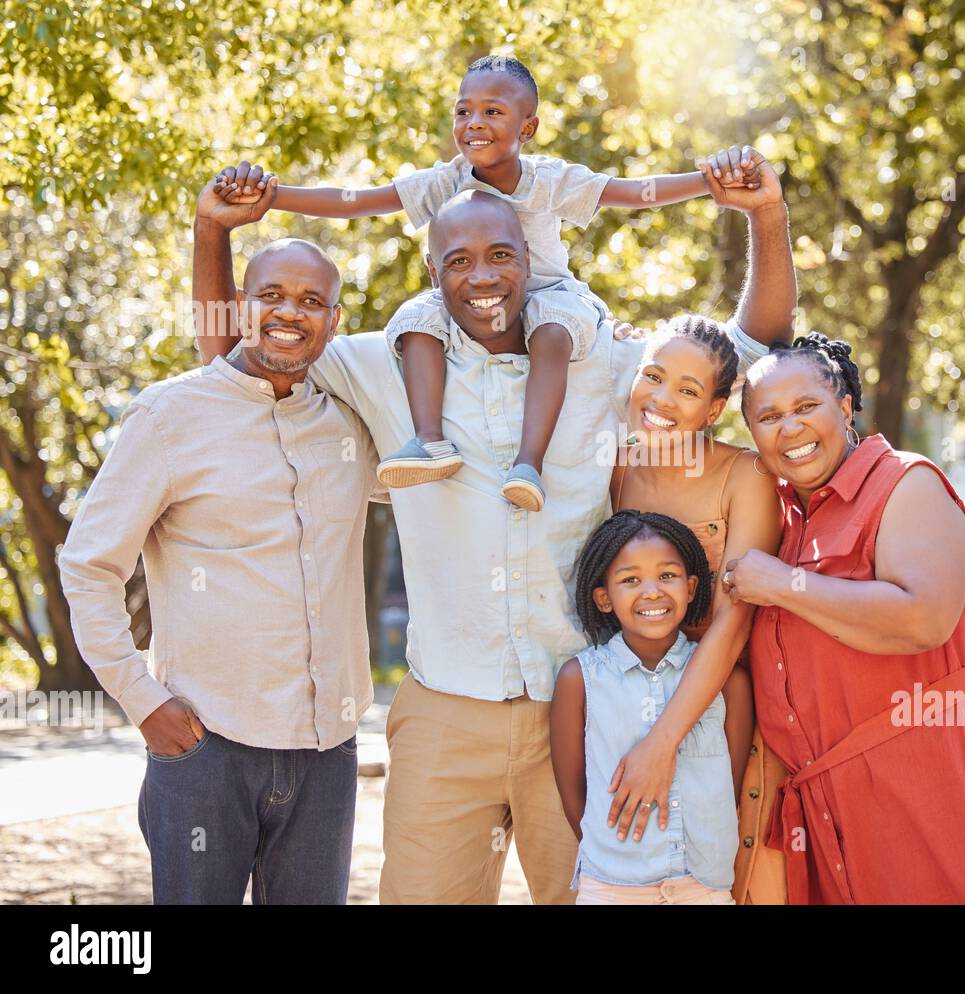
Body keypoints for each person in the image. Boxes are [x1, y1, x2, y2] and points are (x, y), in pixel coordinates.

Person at [194, 150, 796, 904]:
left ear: (528, 258)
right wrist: (211, 231)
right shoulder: (382, 365)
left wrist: (765, 215)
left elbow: (753, 348)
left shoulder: (600, 363)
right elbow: (232, 365)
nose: (483, 277)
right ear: (432, 269)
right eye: (460, 260)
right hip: (444, 709)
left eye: (501, 255)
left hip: (580, 707)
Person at [215, 54, 759, 511]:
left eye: (493, 111)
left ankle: (529, 462)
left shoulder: (550, 181)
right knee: (413, 320)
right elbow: (356, 202)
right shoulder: (445, 180)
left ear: (527, 127)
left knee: (550, 331)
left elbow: (636, 191)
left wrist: (710, 184)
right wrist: (272, 197)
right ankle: (429, 439)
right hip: (469, 303)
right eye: (464, 110)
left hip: (550, 296)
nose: (474, 122)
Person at [57, 182, 382, 904]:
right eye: (273, 295)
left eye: (310, 301)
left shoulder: (351, 428)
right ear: (240, 305)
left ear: (334, 321)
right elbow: (88, 567)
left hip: (327, 755)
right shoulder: (170, 416)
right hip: (205, 749)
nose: (289, 313)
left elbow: (446, 487)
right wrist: (141, 699)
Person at [723, 333, 965, 904]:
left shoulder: (905, 483)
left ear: (845, 408)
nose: (788, 428)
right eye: (767, 417)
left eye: (805, 407)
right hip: (827, 800)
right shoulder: (784, 518)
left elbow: (922, 618)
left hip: (929, 777)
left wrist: (782, 585)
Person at [604, 315, 788, 903]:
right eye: (652, 377)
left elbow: (733, 626)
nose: (661, 400)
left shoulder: (745, 474)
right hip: (629, 715)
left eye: (687, 390)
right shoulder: (613, 467)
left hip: (729, 715)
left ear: (713, 409)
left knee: (730, 881)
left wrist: (662, 744)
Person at [550, 510, 748, 904]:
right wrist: (617, 856)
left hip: (704, 885)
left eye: (667, 575)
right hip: (612, 886)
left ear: (691, 588)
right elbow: (573, 790)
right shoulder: (580, 680)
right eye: (630, 580)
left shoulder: (730, 681)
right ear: (604, 598)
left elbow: (733, 779)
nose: (652, 591)